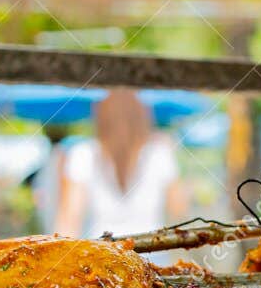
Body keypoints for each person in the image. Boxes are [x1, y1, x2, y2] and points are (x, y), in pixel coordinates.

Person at [53, 90, 189, 241]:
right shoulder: (159, 152)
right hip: (154, 249)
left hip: (104, 251)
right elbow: (178, 208)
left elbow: (69, 219)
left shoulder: (83, 153)